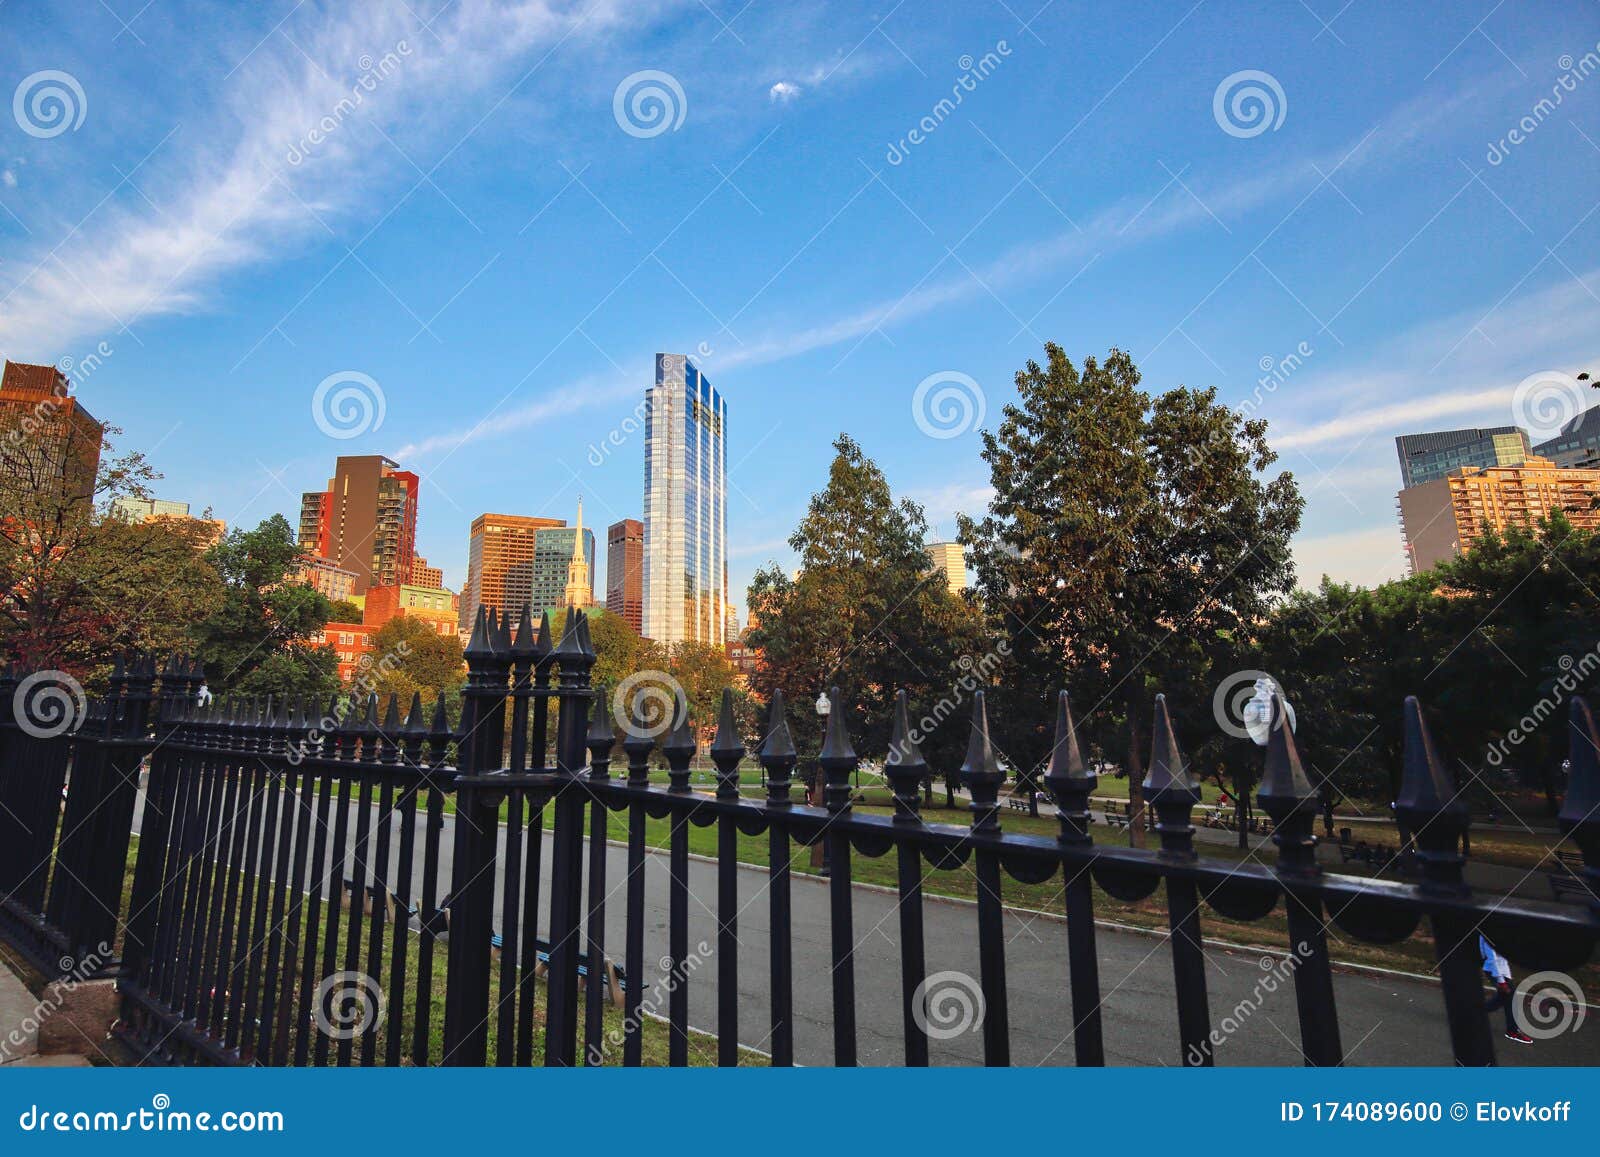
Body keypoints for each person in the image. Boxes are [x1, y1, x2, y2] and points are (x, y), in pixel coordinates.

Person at [1480, 933, 1533, 1044]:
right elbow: (1491, 959)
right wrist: (1502, 982)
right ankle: (1512, 1031)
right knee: (1510, 999)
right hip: (1494, 971)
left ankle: (1472, 1012)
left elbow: (1504, 958)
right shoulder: (1486, 934)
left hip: (1502, 971)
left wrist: (1507, 976)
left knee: (1503, 998)